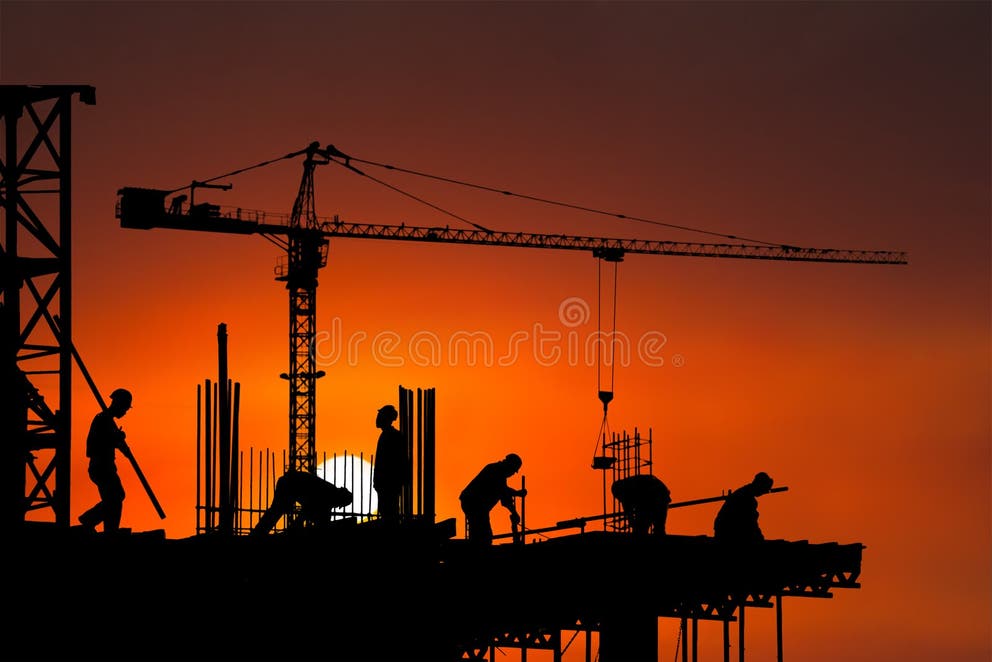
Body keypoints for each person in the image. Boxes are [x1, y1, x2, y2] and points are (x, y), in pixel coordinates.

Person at [78, 388, 134, 533]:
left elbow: (113, 440)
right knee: (116, 497)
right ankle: (90, 519)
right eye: (125, 408)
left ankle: (109, 530)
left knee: (114, 498)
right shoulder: (103, 420)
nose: (125, 412)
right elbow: (99, 442)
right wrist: (117, 438)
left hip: (105, 465)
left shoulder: (107, 421)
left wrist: (122, 445)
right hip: (101, 466)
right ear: (118, 404)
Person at [251, 470, 353, 536]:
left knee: (277, 510)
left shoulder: (329, 494)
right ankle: (258, 534)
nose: (337, 507)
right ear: (340, 499)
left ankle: (258, 533)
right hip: (289, 484)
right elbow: (310, 510)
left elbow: (321, 514)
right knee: (278, 510)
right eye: (340, 505)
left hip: (290, 482)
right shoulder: (327, 494)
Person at [459, 453, 526, 546]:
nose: (512, 474)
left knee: (480, 533)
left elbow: (505, 498)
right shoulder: (495, 470)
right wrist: (517, 495)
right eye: (513, 471)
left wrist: (514, 511)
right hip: (474, 503)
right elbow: (503, 491)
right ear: (509, 466)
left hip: (477, 505)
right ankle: (477, 552)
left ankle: (476, 548)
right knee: (484, 535)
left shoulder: (498, 473)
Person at [713, 471, 774, 543]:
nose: (763, 493)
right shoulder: (748, 499)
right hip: (727, 532)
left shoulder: (743, 491)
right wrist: (760, 539)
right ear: (760, 486)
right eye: (764, 489)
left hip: (723, 529)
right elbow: (751, 523)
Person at [372, 404, 407, 524]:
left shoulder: (392, 436)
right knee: (386, 512)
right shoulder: (388, 435)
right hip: (385, 484)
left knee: (389, 513)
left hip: (388, 484)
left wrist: (381, 481)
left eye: (380, 415)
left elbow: (397, 461)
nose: (377, 418)